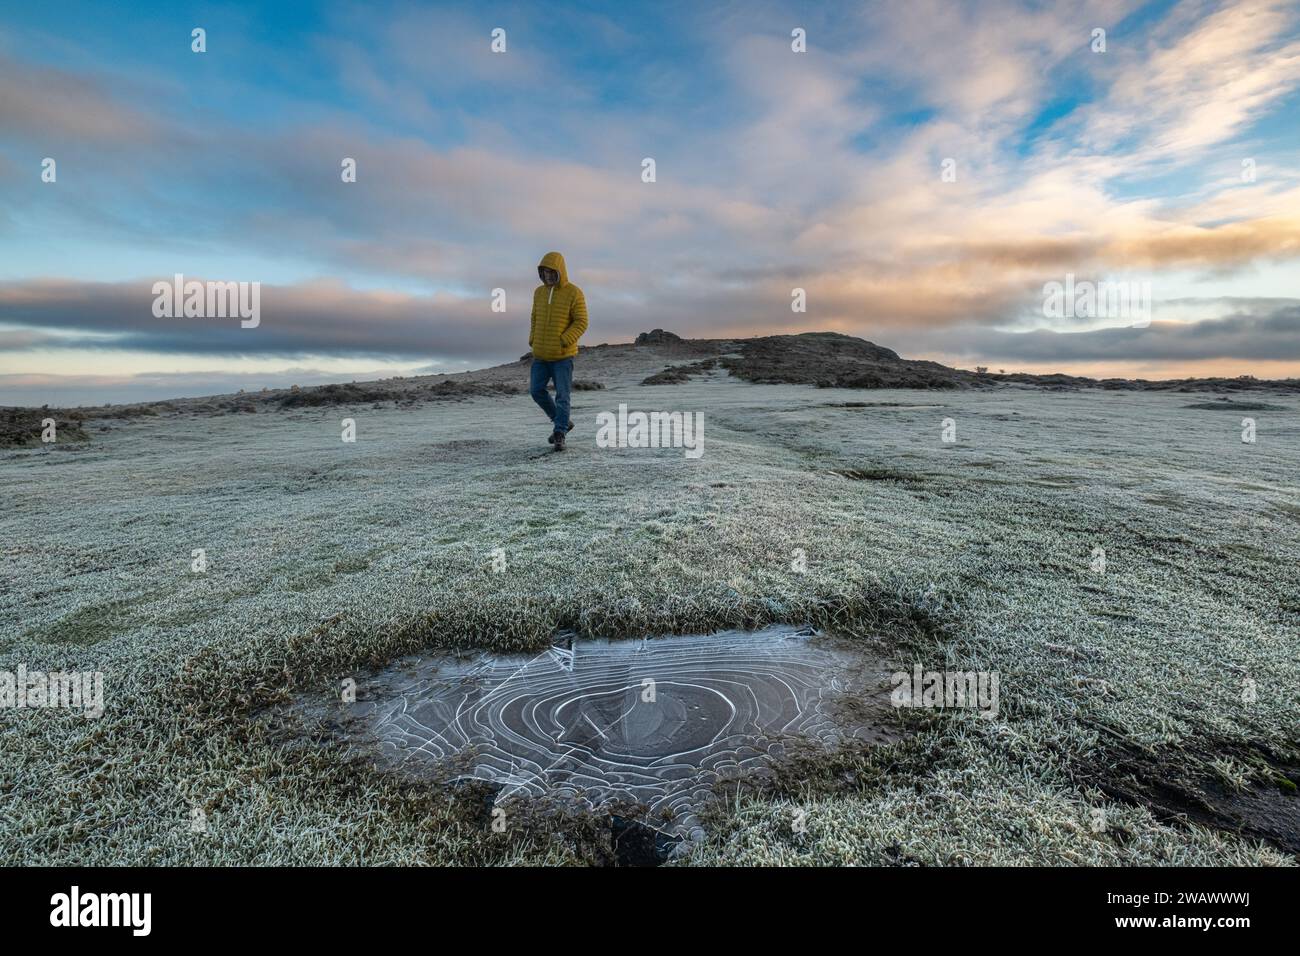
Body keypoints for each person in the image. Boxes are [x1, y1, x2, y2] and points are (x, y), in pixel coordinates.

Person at [528, 251, 588, 450]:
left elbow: (581, 321)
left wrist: (564, 340)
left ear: (560, 271)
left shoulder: (574, 292)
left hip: (563, 356)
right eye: (544, 272)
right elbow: (534, 317)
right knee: (536, 391)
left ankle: (560, 432)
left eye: (552, 272)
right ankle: (561, 421)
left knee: (563, 395)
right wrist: (532, 339)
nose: (548, 275)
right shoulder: (538, 292)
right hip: (540, 355)